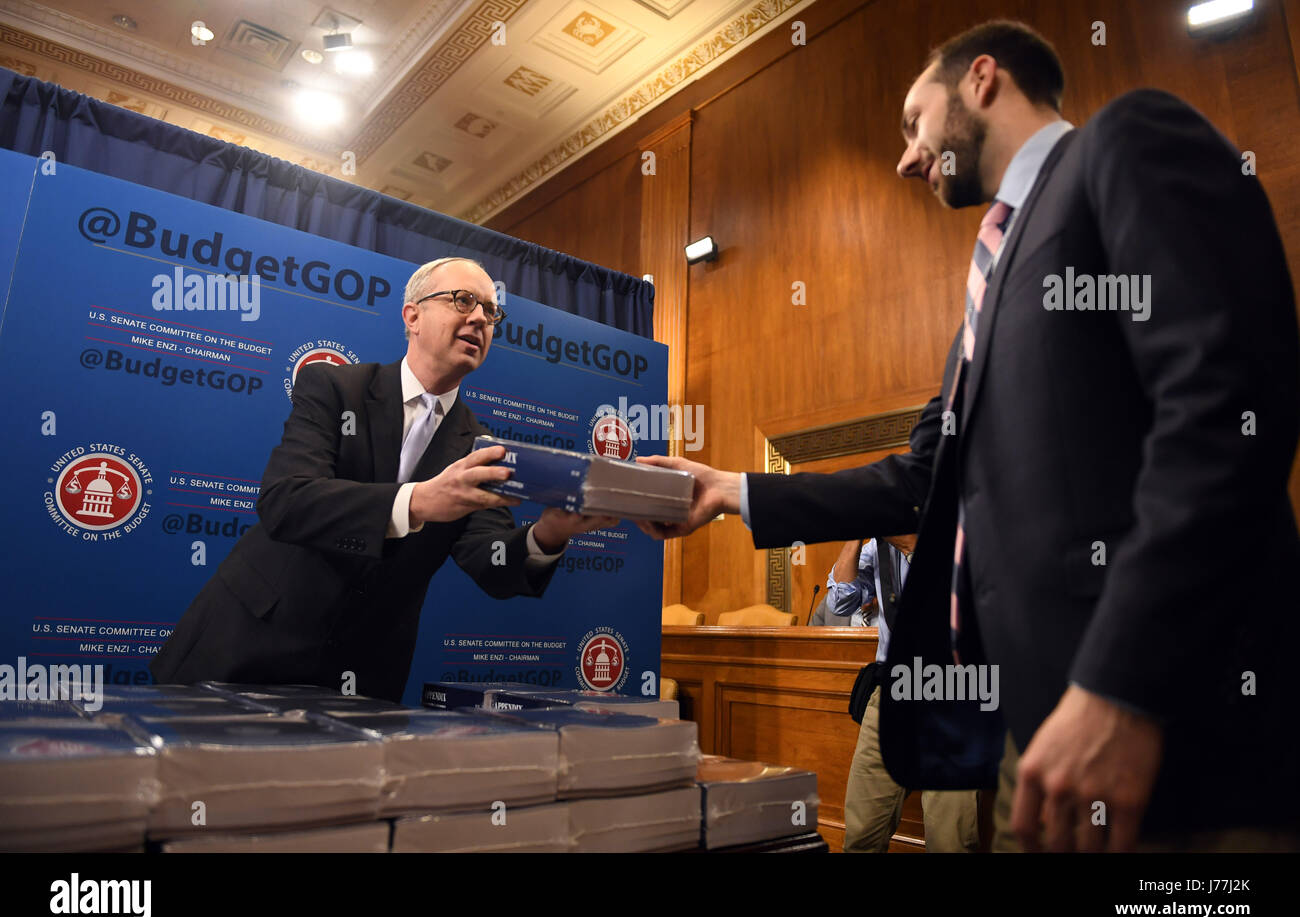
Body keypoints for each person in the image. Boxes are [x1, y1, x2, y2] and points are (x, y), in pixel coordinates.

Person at [638, 20, 1300, 851]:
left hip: (1165, 723)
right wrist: (729, 490)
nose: (907, 157)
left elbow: (1227, 407)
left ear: (982, 80)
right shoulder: (980, 301)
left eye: (915, 122)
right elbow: (921, 478)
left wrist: (1118, 687)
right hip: (1030, 732)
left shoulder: (1126, 144)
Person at [152, 257, 615, 701]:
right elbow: (286, 500)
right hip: (246, 647)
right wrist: (415, 503)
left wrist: (549, 535)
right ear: (412, 316)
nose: (480, 318)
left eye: (491, 311)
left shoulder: (478, 445)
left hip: (360, 678)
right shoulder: (335, 388)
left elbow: (488, 562)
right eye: (462, 300)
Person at [832, 537, 980, 853]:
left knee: (950, 841)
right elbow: (841, 602)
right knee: (861, 837)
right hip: (890, 698)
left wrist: (911, 548)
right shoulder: (877, 547)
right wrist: (853, 538)